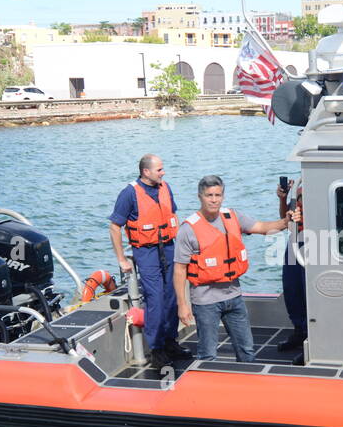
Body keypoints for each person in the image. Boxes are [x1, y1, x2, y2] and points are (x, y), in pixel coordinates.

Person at [173, 175, 298, 362]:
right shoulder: (188, 229)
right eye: (209, 195)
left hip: (234, 297)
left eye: (217, 195)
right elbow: (179, 269)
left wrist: (285, 221)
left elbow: (263, 227)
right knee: (208, 354)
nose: (214, 200)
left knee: (247, 350)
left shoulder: (232, 216)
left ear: (223, 196)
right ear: (200, 196)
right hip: (205, 302)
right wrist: (182, 305)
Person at [108, 153, 190, 367]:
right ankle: (156, 350)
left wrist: (181, 246)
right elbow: (115, 226)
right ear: (146, 172)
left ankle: (171, 341)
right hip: (146, 252)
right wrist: (121, 259)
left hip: (170, 247)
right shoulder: (129, 194)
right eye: (159, 169)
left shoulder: (165, 188)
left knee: (172, 296)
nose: (163, 173)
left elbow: (173, 215)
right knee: (156, 300)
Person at [277, 177, 307, 350]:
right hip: (296, 239)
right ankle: (299, 330)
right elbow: (284, 218)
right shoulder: (298, 185)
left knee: (308, 290)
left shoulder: (318, 181)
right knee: (291, 286)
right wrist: (283, 198)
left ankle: (311, 337)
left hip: (317, 240)